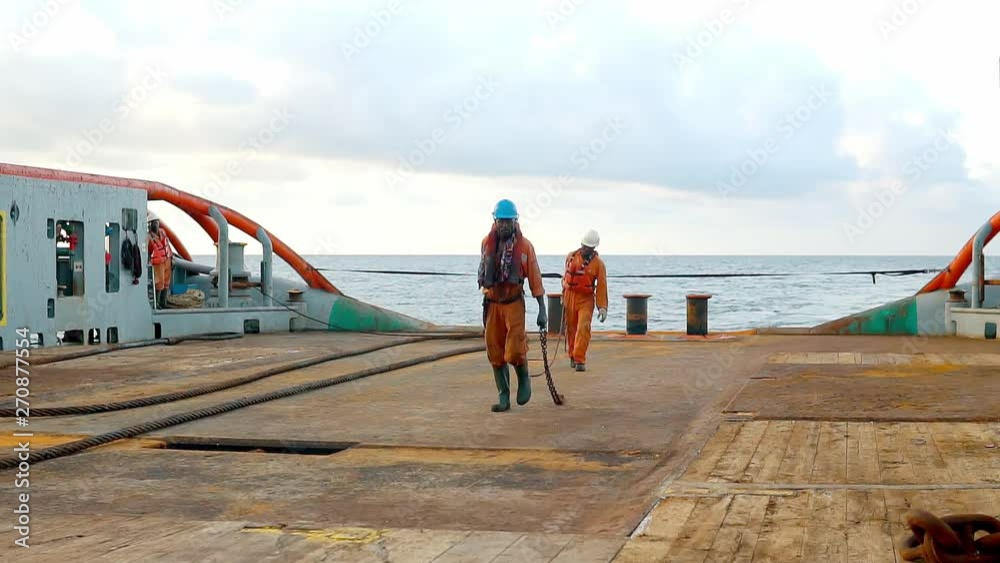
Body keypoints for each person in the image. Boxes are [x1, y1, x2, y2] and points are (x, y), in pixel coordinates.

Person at [477, 199, 547, 412]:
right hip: (492, 304)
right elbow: (485, 272)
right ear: (495, 221)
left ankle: (524, 378)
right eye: (501, 221)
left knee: (515, 348)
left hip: (514, 303)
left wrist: (542, 309)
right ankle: (503, 395)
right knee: (494, 350)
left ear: (515, 221)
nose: (504, 225)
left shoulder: (525, 247)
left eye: (508, 221)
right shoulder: (486, 243)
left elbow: (535, 277)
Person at [561, 229, 608, 372]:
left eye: (589, 247)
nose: (586, 249)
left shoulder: (599, 265)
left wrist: (602, 307)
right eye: (585, 246)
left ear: (594, 248)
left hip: (586, 299)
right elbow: (565, 277)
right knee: (571, 328)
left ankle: (579, 359)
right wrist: (563, 296)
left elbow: (601, 285)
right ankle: (572, 356)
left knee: (583, 327)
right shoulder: (570, 257)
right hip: (570, 295)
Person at [147, 211, 173, 309]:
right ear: (150, 225)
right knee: (159, 282)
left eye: (157, 222)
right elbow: (148, 250)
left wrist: (172, 258)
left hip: (167, 260)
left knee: (166, 282)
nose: (156, 225)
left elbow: (168, 245)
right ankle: (156, 303)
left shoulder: (163, 232)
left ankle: (163, 302)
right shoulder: (149, 236)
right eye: (153, 223)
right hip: (158, 263)